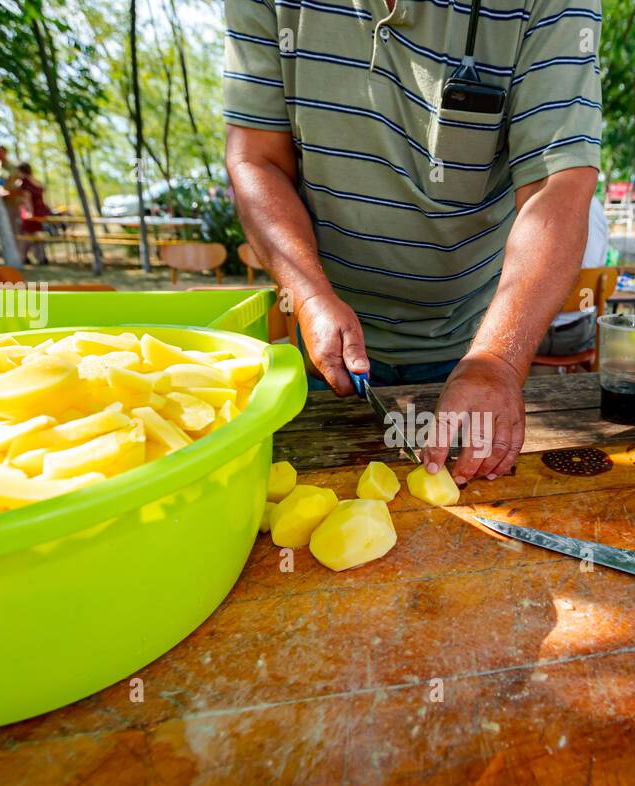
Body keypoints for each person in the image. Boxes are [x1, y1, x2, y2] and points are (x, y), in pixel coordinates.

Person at [224, 0, 601, 485]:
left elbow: (559, 184)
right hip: (332, 354)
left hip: (472, 342)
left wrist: (499, 359)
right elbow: (256, 159)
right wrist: (311, 296)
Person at [537, 196, 611, 357]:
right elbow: (601, 264)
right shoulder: (597, 207)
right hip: (579, 334)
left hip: (532, 338)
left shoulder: (537, 201)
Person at [15, 162, 54, 265]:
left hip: (31, 211)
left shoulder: (24, 183)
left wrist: (29, 213)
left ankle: (24, 257)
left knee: (27, 235)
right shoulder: (36, 181)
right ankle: (41, 256)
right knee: (35, 235)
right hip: (41, 210)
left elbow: (27, 199)